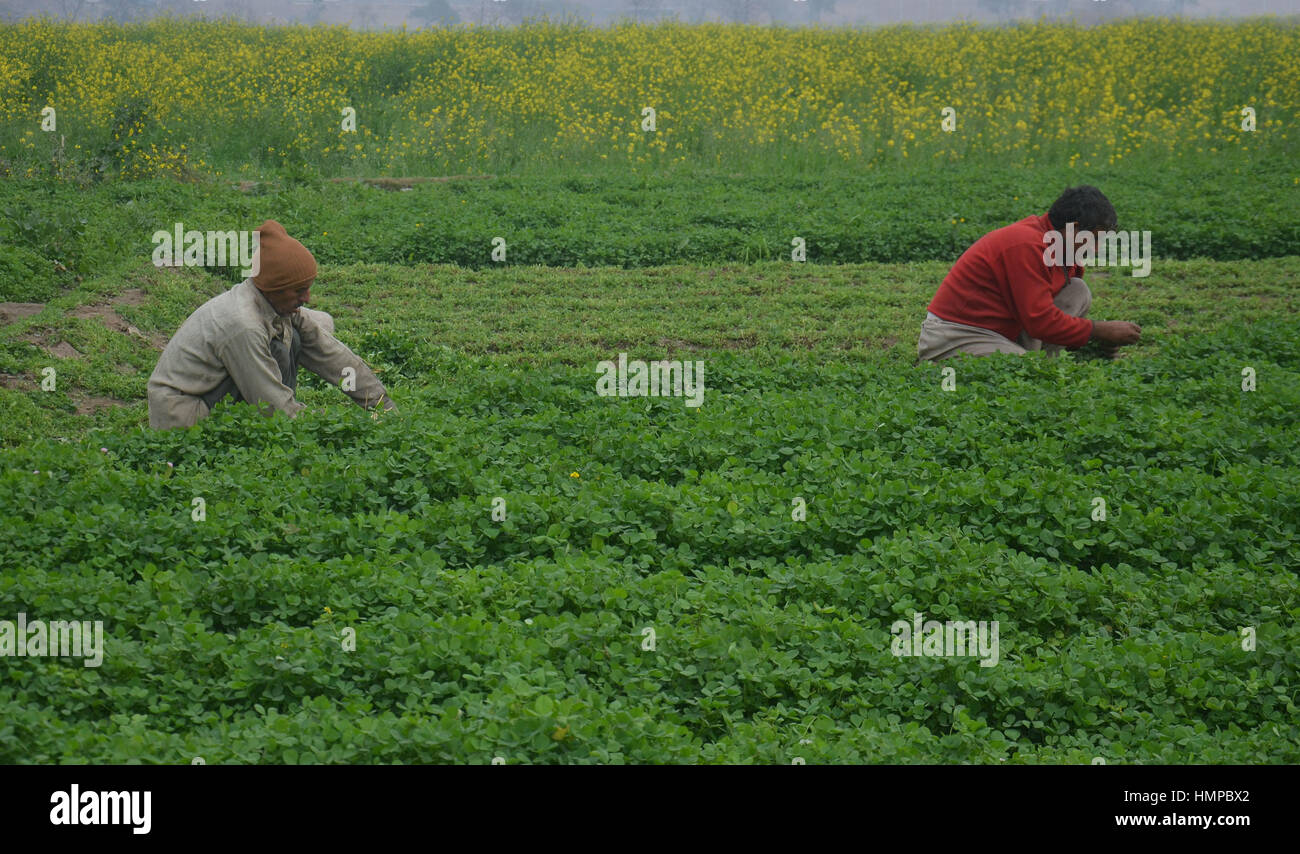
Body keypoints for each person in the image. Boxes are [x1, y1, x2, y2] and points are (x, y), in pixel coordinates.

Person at [147, 219, 396, 430]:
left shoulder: (276, 305)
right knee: (278, 356)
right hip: (184, 414)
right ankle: (282, 433)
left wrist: (380, 405)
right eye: (299, 291)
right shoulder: (243, 325)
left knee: (296, 336)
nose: (307, 298)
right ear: (274, 288)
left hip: (211, 392)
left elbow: (332, 359)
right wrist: (323, 426)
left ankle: (283, 430)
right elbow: (269, 403)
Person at [916, 185, 1142, 363]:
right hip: (958, 334)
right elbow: (1040, 322)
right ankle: (943, 360)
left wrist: (1093, 341)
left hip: (1005, 331)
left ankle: (1037, 360)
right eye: (1094, 239)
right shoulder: (1025, 245)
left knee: (1076, 290)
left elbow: (1049, 313)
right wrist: (1098, 330)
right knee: (1027, 372)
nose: (1094, 248)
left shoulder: (1062, 249)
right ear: (1072, 228)